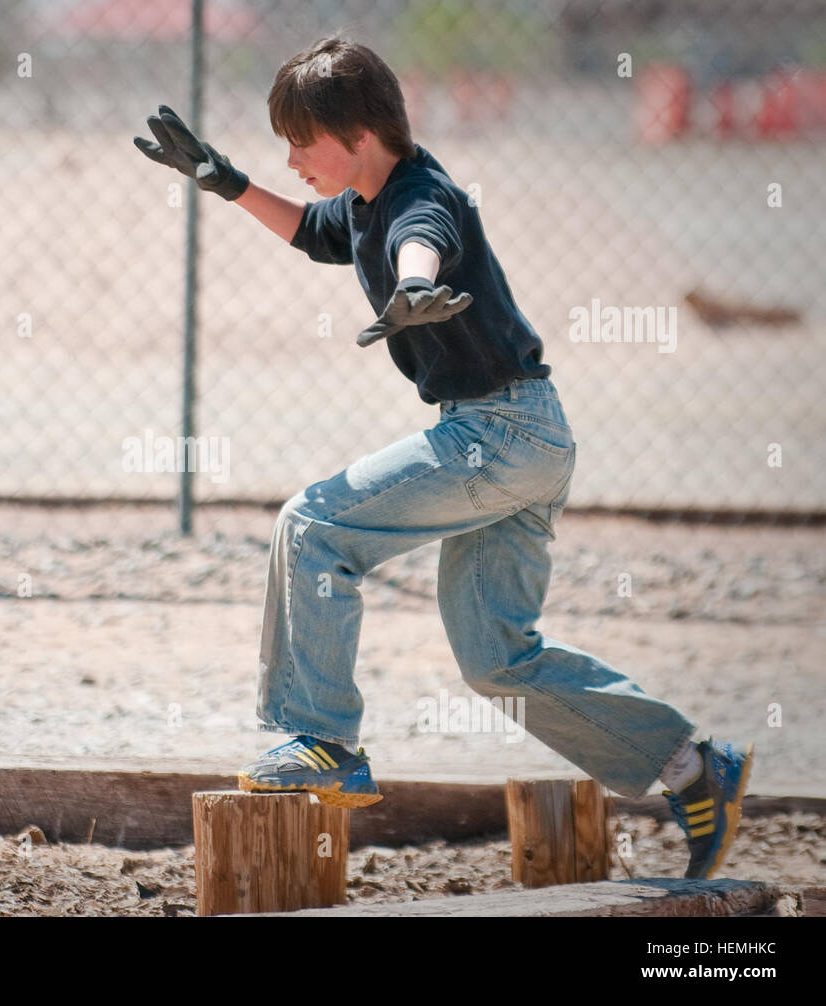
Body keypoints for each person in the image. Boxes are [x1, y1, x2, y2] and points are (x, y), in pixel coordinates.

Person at [133, 35, 753, 879]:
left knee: (313, 527)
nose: (290, 156)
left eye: (300, 140)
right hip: (532, 438)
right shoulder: (363, 199)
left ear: (358, 134)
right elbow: (316, 235)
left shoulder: (423, 196)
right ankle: (691, 766)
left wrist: (415, 283)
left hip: (495, 437)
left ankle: (320, 738)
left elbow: (421, 238)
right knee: (500, 659)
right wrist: (225, 180)